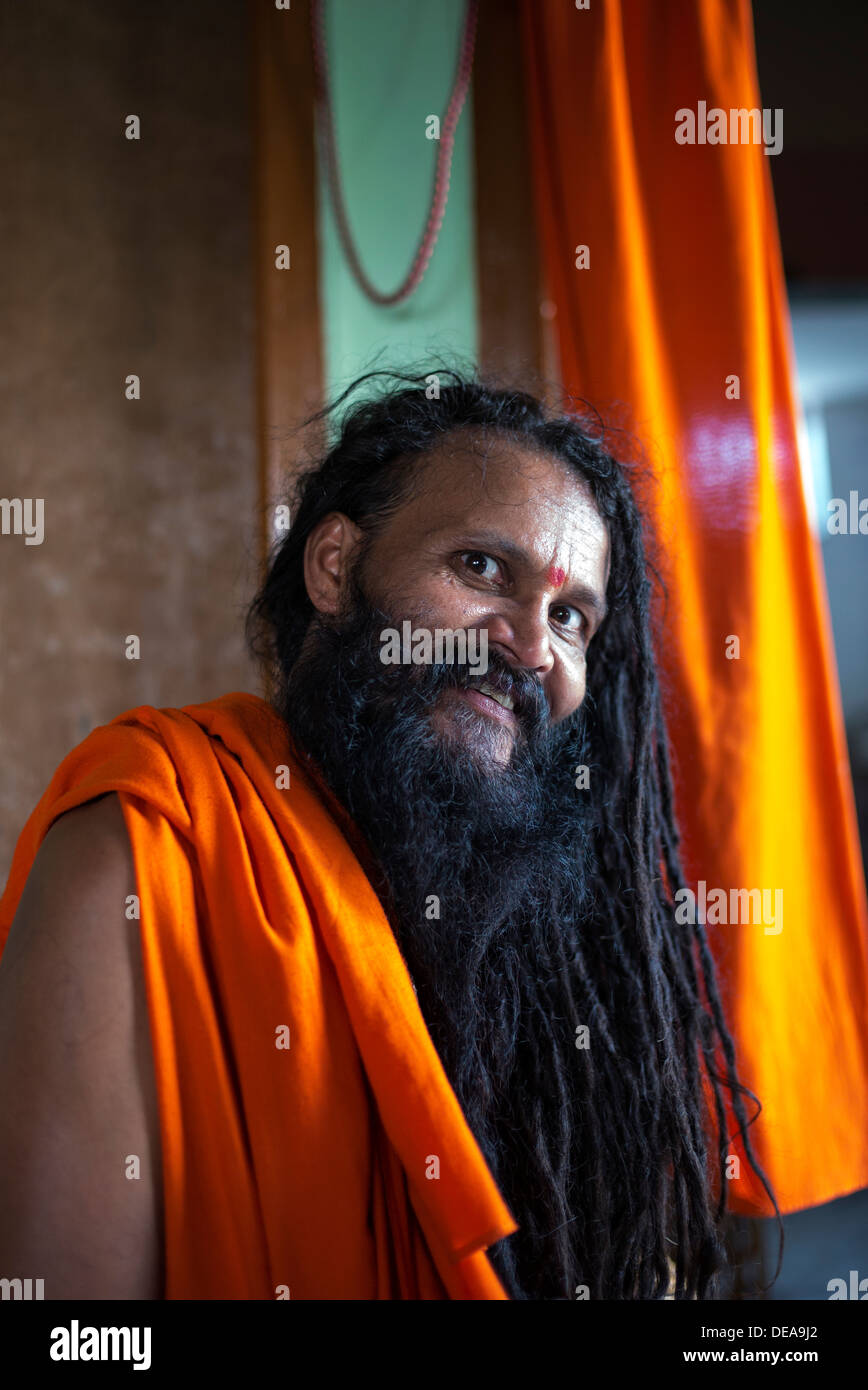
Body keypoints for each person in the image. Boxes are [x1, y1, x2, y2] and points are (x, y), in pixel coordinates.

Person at [0, 370, 778, 1301]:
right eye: (482, 568)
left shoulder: (564, 943)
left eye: (571, 617)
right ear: (335, 568)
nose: (531, 645)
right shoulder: (151, 835)